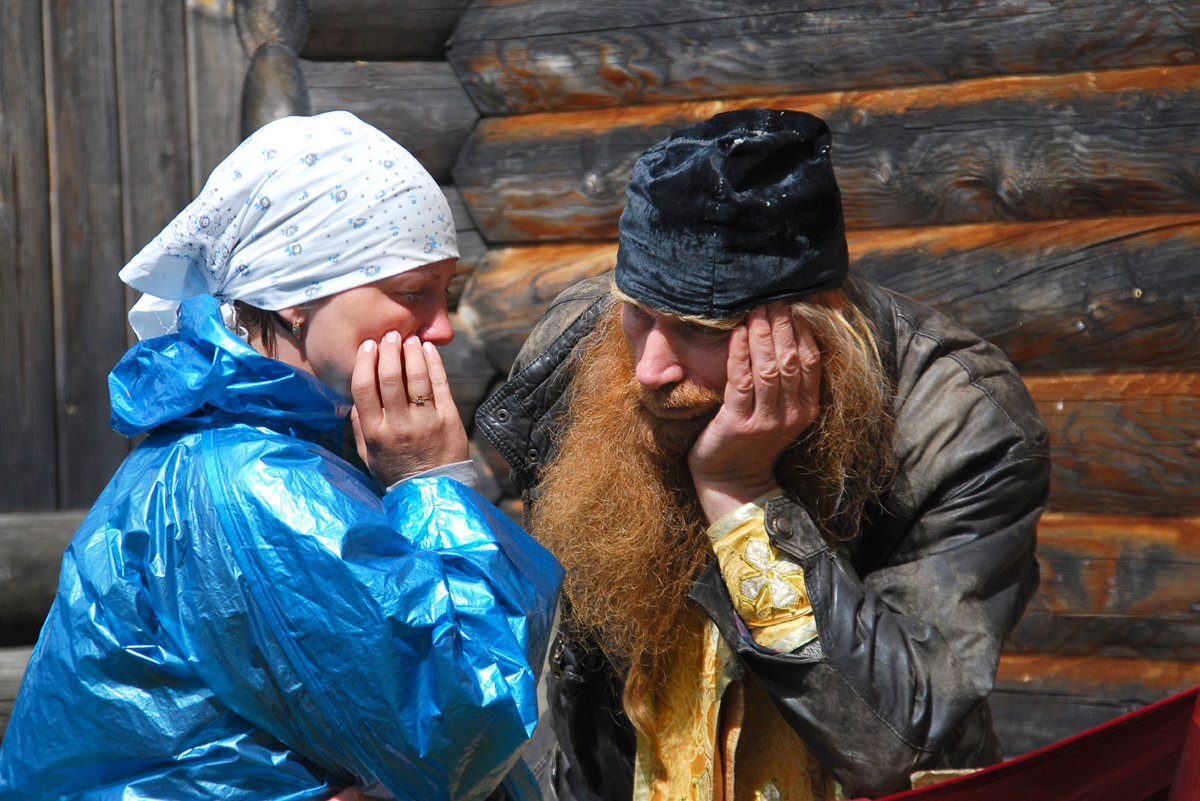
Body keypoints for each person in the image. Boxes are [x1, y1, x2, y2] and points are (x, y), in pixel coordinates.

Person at [474, 108, 1049, 800]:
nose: (650, 366)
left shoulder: (962, 424)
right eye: (638, 312)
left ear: (810, 330)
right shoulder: (583, 349)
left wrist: (741, 494)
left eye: (696, 328)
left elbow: (897, 742)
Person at [0, 111, 563, 801]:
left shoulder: (286, 448)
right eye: (412, 292)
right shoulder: (251, 482)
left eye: (448, 290)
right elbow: (462, 732)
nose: (442, 327)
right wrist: (434, 483)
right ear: (295, 296)